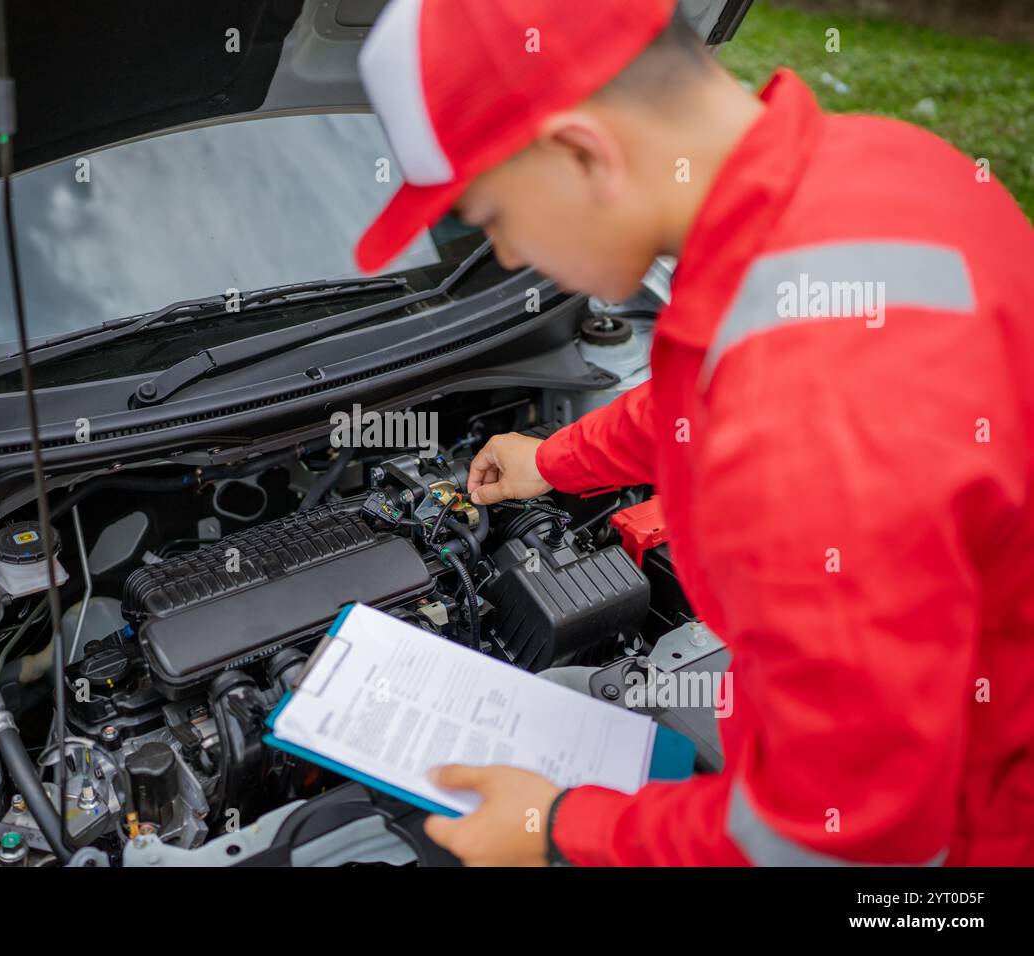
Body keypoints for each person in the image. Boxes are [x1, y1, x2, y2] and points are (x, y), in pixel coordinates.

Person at [353, 0, 1034, 866]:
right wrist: (557, 463)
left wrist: (555, 829)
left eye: (490, 217)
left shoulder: (800, 422)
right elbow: (707, 384)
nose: (511, 256)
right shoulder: (889, 165)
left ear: (583, 153)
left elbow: (843, 842)